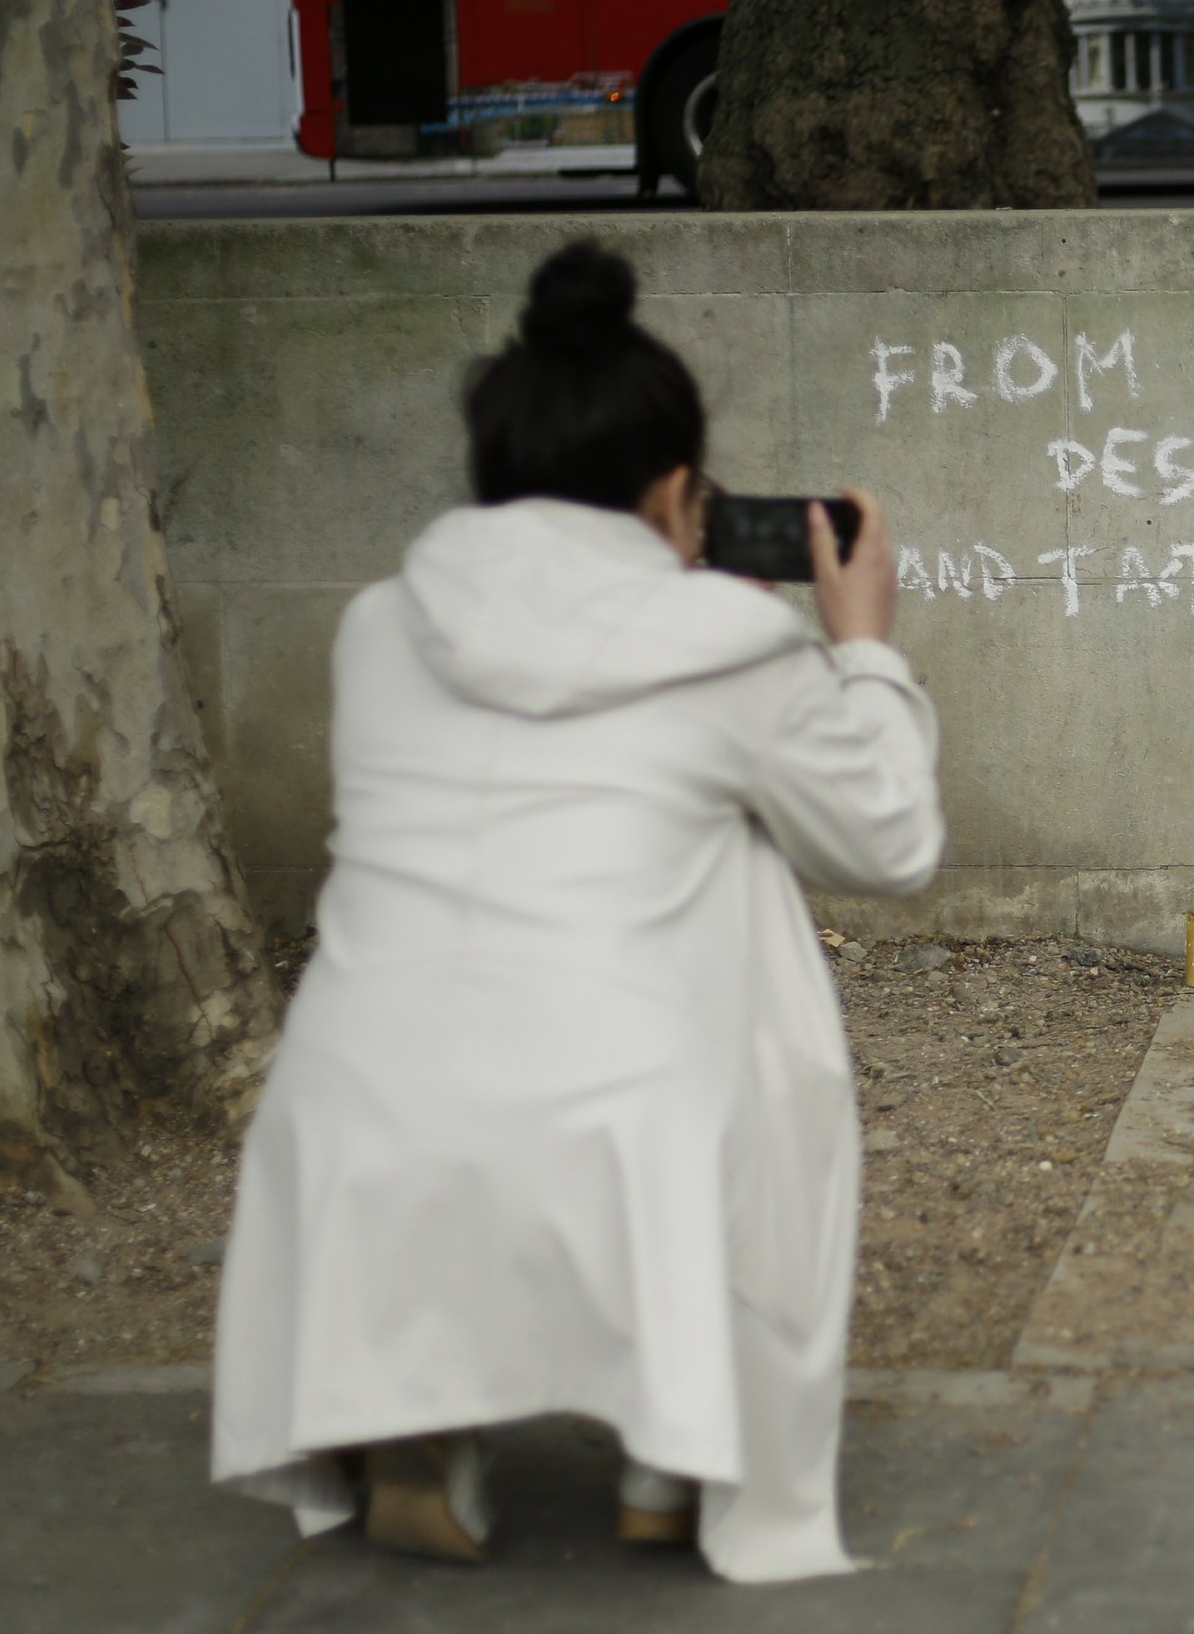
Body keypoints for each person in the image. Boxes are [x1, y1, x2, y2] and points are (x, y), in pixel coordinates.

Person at [210, 241, 944, 1582]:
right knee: (737, 905)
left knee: (639, 874)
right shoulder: (731, 648)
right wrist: (863, 652)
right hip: (621, 1122)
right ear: (679, 494)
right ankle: (679, 1451)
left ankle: (419, 1406)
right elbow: (891, 844)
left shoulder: (380, 627)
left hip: (357, 1105)